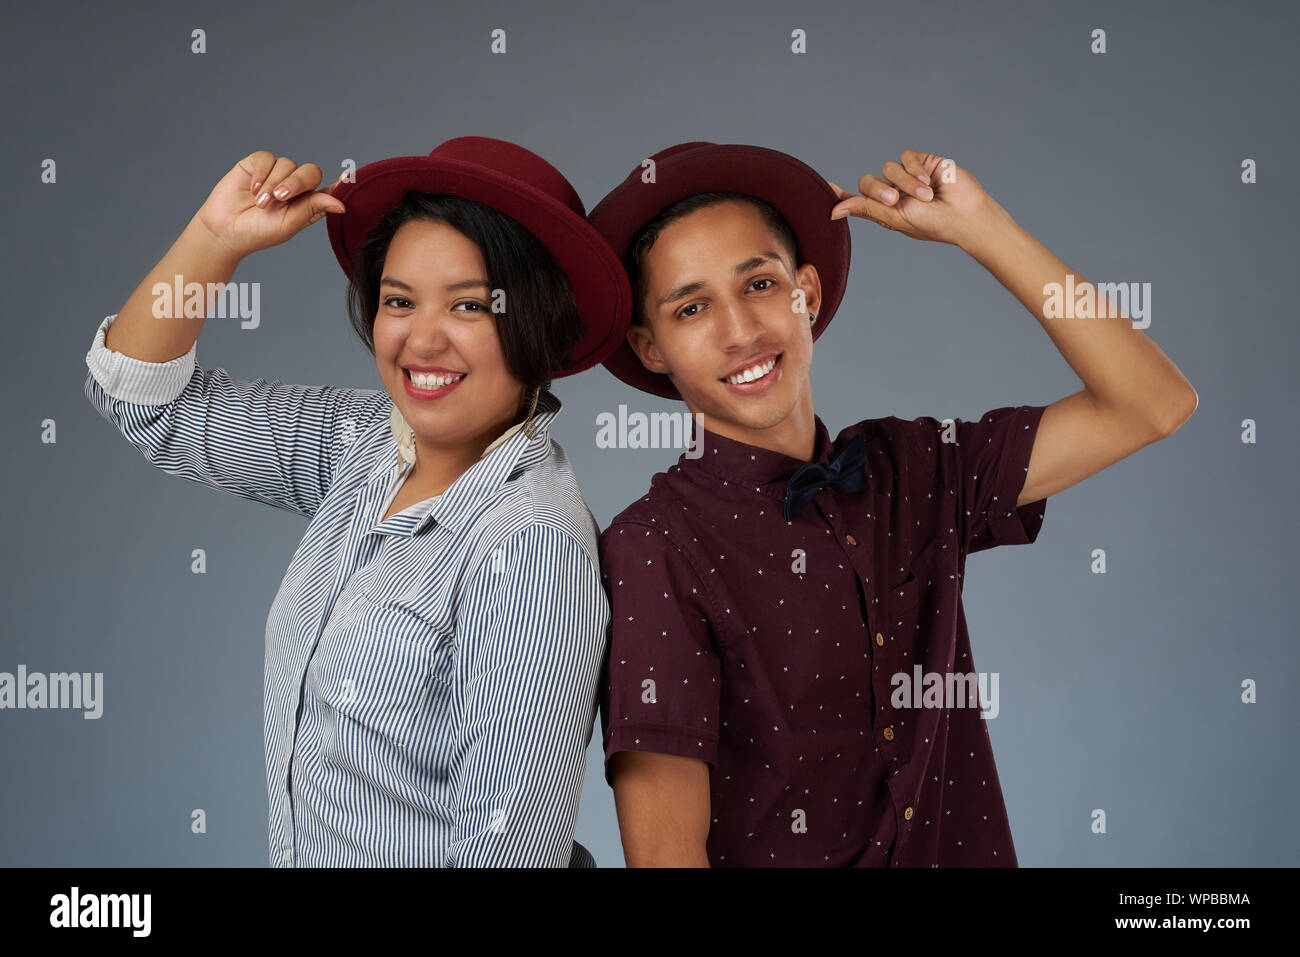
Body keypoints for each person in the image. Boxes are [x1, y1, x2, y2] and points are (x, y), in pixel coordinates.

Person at [588, 142, 1197, 866]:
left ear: (804, 294)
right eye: (691, 307)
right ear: (650, 347)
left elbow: (1153, 403)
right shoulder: (653, 545)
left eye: (758, 284)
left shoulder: (915, 464)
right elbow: (665, 855)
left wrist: (983, 229)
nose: (739, 330)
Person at [83, 136, 631, 867]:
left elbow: (504, 854)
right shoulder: (362, 444)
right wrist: (214, 239)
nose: (422, 338)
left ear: (541, 323)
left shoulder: (527, 544)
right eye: (398, 300)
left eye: (469, 304)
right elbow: (144, 401)